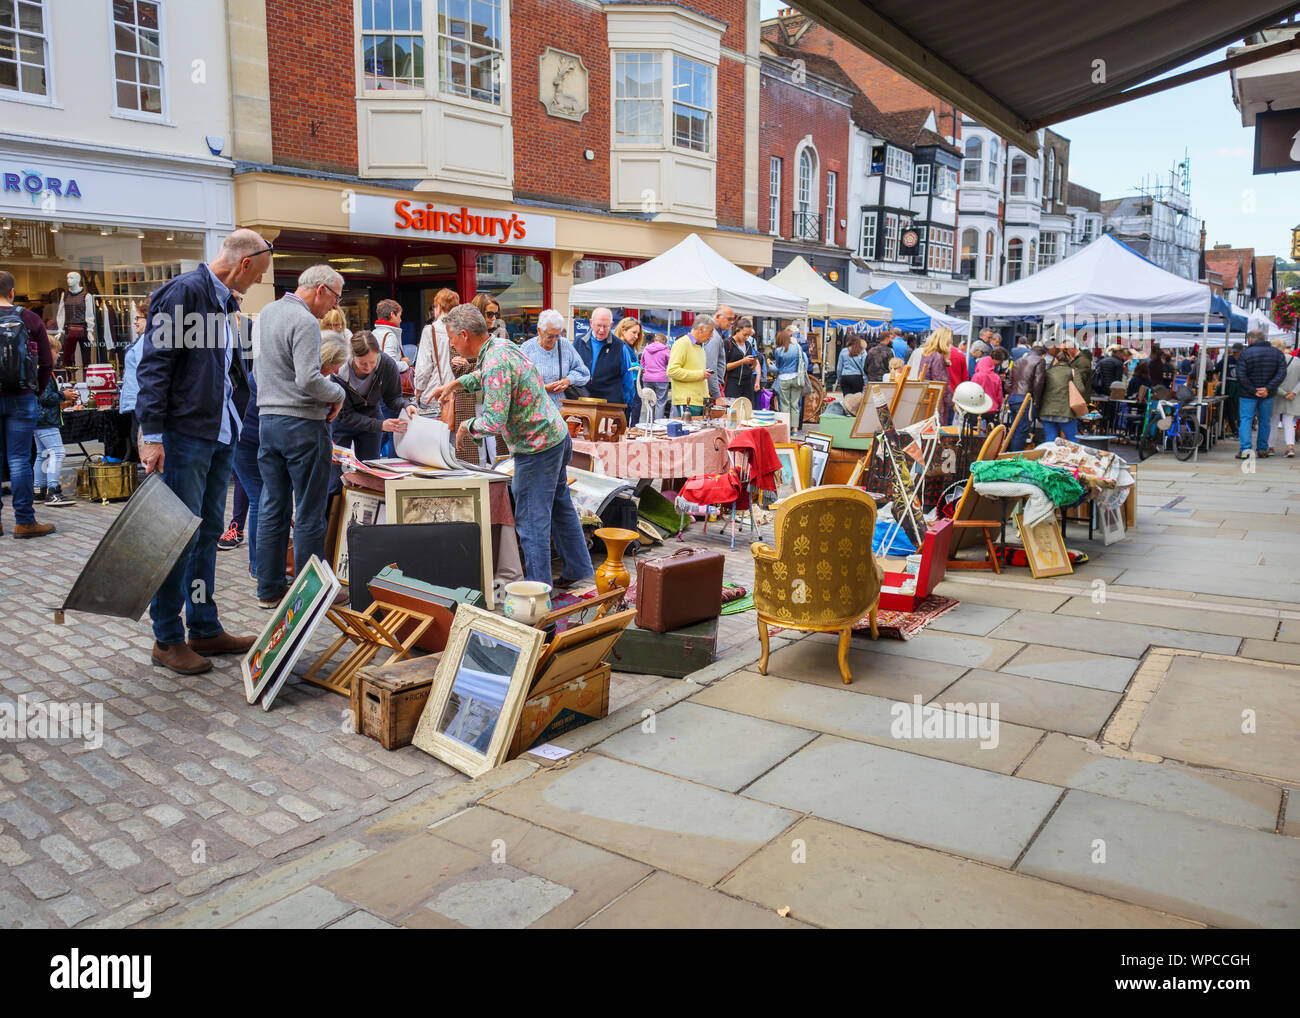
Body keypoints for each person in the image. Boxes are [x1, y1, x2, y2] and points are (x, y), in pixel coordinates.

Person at [133, 230, 270, 672]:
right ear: (245, 262)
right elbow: (155, 365)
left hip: (216, 434)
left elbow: (229, 369)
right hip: (186, 436)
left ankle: (204, 627)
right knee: (179, 535)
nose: (256, 283)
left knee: (207, 532)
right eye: (260, 273)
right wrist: (151, 434)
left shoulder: (222, 300)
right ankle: (167, 637)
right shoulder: (185, 292)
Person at [428, 304, 593, 587]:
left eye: (452, 338)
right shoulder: (502, 346)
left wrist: (466, 427)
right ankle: (579, 568)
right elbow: (488, 377)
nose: (451, 344)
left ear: (465, 335)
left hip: (537, 448)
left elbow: (492, 421)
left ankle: (538, 591)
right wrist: (455, 385)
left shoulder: (494, 360)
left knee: (531, 522)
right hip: (555, 437)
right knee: (559, 506)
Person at [253, 264, 347, 608]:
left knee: (272, 506)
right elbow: (308, 379)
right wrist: (338, 394)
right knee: (309, 510)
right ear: (321, 289)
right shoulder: (305, 320)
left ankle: (269, 589)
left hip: (268, 421)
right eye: (334, 298)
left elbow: (256, 369)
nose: (332, 308)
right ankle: (312, 593)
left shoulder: (265, 313)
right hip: (302, 425)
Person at [0, 270, 56, 538]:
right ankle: (24, 521)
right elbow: (46, 362)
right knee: (19, 459)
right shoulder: (30, 318)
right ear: (12, 292)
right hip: (23, 397)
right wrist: (37, 390)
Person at [331, 330, 415, 488]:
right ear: (352, 356)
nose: (368, 367)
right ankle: (333, 510)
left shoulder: (387, 364)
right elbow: (346, 415)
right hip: (342, 423)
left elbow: (393, 399)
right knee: (335, 478)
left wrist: (407, 405)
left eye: (372, 362)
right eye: (362, 363)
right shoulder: (339, 372)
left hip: (372, 419)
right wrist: (381, 425)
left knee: (370, 476)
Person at [32, 335, 76, 506]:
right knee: (57, 452)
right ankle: (53, 491)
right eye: (56, 351)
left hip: (37, 419)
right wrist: (63, 396)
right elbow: (44, 396)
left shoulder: (35, 368)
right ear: (46, 351)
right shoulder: (42, 370)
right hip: (46, 420)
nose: (58, 355)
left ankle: (39, 490)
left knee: (42, 454)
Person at [1235, 328, 1287, 459]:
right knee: (1265, 421)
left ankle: (1245, 449)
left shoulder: (1245, 354)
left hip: (1248, 394)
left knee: (1246, 420)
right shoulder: (1277, 354)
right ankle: (1262, 449)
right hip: (1268, 394)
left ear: (1251, 339)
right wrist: (1268, 388)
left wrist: (1253, 390)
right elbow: (1281, 373)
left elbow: (1240, 375)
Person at [520, 308, 589, 406]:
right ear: (539, 331)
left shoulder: (564, 345)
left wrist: (568, 380)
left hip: (561, 411)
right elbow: (519, 383)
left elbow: (583, 373)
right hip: (536, 410)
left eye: (557, 336)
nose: (554, 340)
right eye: (550, 336)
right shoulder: (527, 349)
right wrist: (543, 388)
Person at [574, 306, 636, 413]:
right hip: (584, 403)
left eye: (606, 326)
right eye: (598, 325)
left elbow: (628, 380)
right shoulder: (578, 342)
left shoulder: (620, 347)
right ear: (591, 323)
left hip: (611, 405)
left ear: (611, 325)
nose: (601, 330)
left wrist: (626, 405)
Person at [414, 287, 462, 405]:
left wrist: (418, 391)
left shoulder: (431, 330)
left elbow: (423, 366)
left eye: (434, 307)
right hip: (457, 394)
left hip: (434, 393)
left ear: (439, 307)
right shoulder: (462, 330)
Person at [1039, 335, 1091, 442]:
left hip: (1046, 411)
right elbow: (1080, 389)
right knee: (1072, 439)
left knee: (1050, 439)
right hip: (1065, 412)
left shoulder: (1048, 372)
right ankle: (1071, 458)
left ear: (1056, 360)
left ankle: (1051, 457)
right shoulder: (1072, 371)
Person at [667, 315, 716, 419]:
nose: (712, 335)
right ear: (701, 329)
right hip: (686, 402)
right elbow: (672, 371)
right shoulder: (682, 344)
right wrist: (700, 374)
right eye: (711, 331)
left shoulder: (700, 347)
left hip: (698, 402)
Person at [918, 327, 964, 424]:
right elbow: (941, 383)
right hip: (936, 402)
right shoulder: (937, 357)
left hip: (926, 398)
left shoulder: (926, 354)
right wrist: (952, 402)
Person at [1006, 341, 1046, 452]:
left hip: (1014, 397)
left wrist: (1013, 392)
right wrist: (1037, 402)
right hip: (1026, 399)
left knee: (1014, 429)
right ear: (1042, 355)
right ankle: (1015, 459)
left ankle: (1010, 457)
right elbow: (1038, 383)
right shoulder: (1040, 360)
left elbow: (1008, 382)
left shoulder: (1018, 361)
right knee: (1021, 430)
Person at [1269, 338, 1300, 457]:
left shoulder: (1272, 363)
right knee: (1289, 422)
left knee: (1273, 421)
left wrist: (1283, 393)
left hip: (1277, 395)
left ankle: (1270, 447)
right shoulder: (1297, 361)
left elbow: (1270, 381)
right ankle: (1290, 447)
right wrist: (1294, 392)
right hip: (1293, 397)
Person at [772, 327, 805, 434]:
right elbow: (804, 361)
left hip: (783, 379)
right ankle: (795, 429)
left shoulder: (778, 350)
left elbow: (778, 367)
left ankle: (786, 428)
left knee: (785, 404)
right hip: (796, 378)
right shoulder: (797, 347)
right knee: (795, 405)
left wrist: (769, 366)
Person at [614, 316, 647, 419]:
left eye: (638, 334)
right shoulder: (621, 346)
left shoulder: (626, 347)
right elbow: (619, 364)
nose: (636, 336)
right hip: (625, 388)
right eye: (634, 332)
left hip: (629, 387)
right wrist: (637, 366)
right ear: (623, 331)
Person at [703, 305, 735, 402]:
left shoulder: (715, 334)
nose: (732, 322)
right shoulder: (714, 337)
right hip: (713, 389)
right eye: (729, 319)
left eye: (733, 319)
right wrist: (717, 395)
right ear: (717, 317)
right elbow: (710, 368)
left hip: (713, 387)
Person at [724, 318, 759, 399]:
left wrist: (754, 364)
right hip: (731, 385)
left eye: (749, 335)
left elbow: (751, 369)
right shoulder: (727, 343)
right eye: (744, 334)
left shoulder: (748, 345)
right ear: (737, 330)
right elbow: (724, 367)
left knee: (747, 410)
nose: (746, 337)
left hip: (747, 385)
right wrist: (742, 361)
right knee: (732, 410)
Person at [639, 332, 672, 418]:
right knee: (661, 402)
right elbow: (672, 362)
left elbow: (642, 363)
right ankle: (658, 424)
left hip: (647, 378)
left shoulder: (646, 349)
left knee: (649, 402)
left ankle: (649, 423)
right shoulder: (665, 349)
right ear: (664, 341)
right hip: (661, 378)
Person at [372, 299, 408, 369]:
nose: (401, 320)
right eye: (399, 316)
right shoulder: (390, 336)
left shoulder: (373, 333)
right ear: (392, 314)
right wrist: (405, 363)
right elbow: (390, 366)